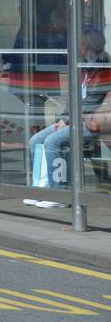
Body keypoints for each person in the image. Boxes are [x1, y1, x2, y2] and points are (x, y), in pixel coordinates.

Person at [24, 28, 111, 208]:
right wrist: (63, 119)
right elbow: (74, 99)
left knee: (52, 142)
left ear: (85, 44)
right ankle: (40, 189)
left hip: (94, 121)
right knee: (35, 141)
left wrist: (67, 121)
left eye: (78, 43)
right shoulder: (85, 66)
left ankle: (59, 195)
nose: (75, 47)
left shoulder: (102, 68)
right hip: (77, 118)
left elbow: (91, 103)